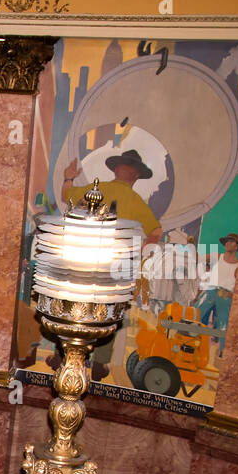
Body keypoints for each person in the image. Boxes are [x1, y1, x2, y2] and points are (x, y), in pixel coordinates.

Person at [59, 148, 164, 380]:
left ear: (117, 169)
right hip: (115, 266)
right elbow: (156, 231)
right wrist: (140, 253)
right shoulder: (137, 201)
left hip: (85, 260)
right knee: (107, 312)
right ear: (136, 176)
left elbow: (67, 195)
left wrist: (68, 177)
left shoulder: (95, 190)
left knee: (75, 305)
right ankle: (100, 363)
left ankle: (64, 355)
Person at [197, 232, 238, 360]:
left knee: (223, 324)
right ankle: (190, 343)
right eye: (227, 240)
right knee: (196, 313)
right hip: (210, 291)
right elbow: (199, 258)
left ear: (237, 246)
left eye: (231, 241)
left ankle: (222, 353)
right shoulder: (218, 256)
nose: (228, 243)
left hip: (226, 295)